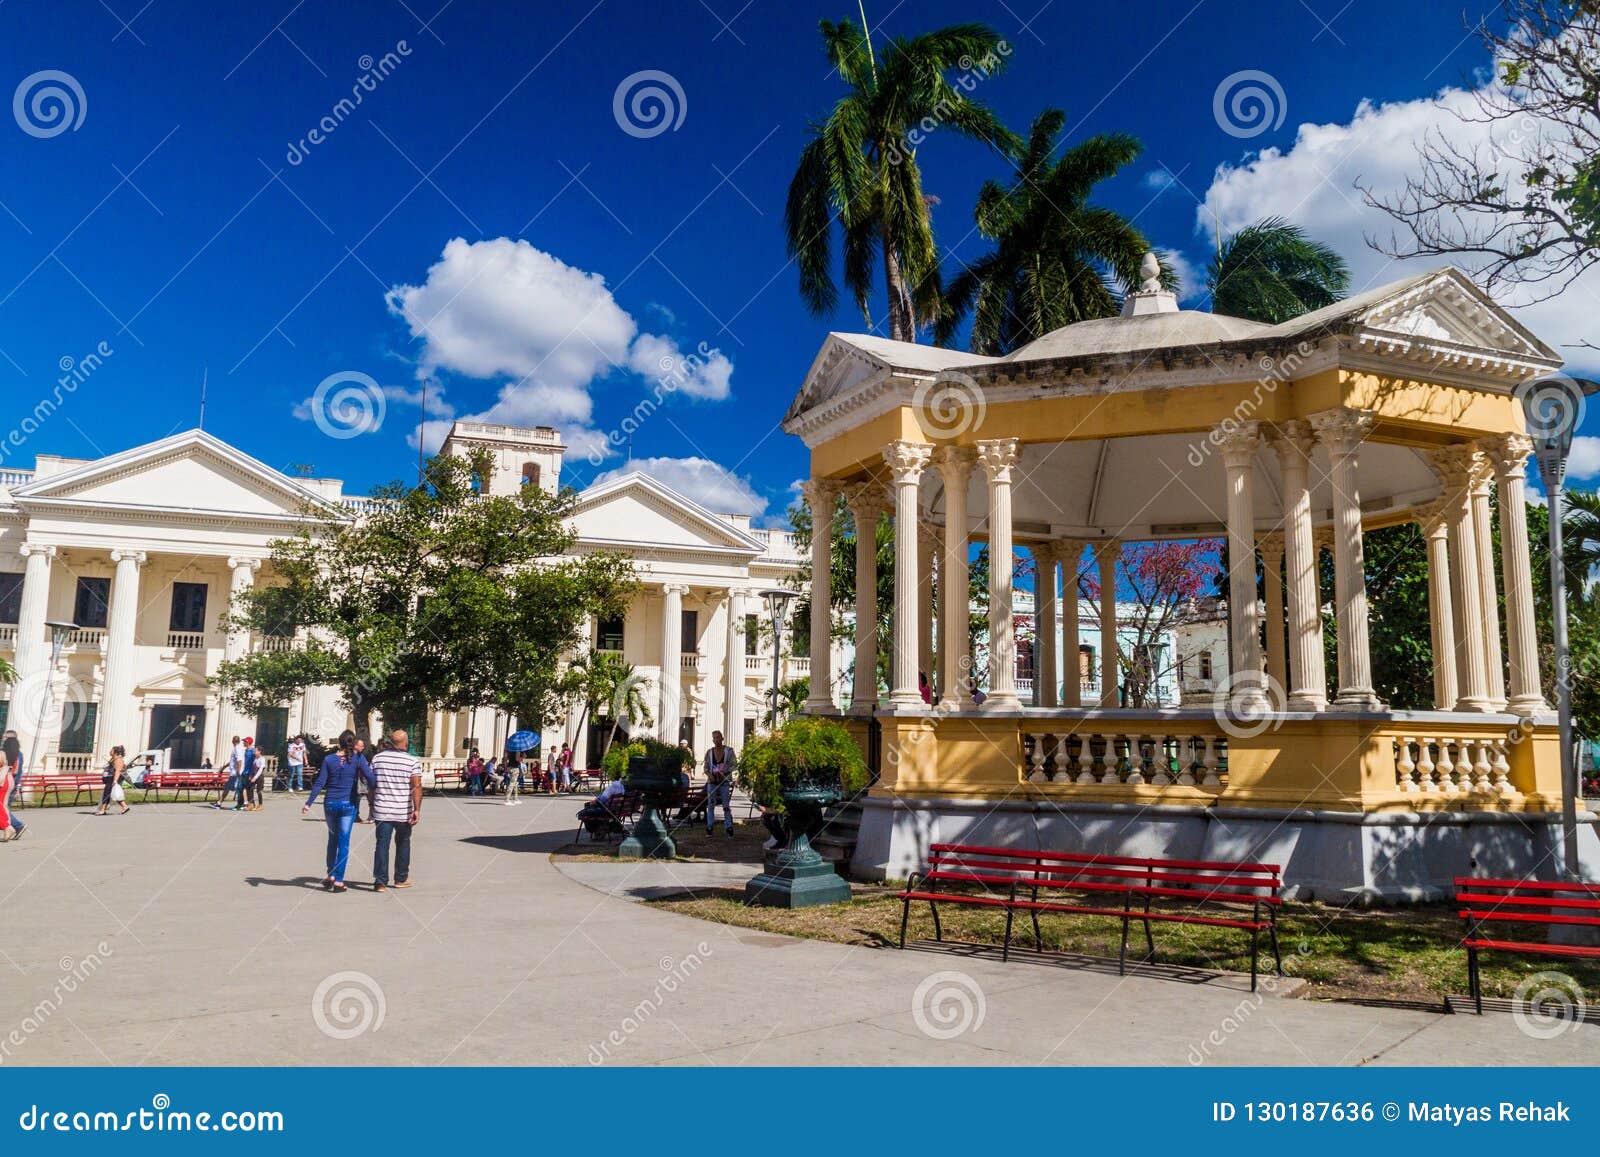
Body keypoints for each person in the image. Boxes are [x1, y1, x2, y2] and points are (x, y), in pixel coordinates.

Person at [302, 730, 374, 893]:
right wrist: (378, 789)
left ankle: (331, 875)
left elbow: (320, 782)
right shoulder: (358, 758)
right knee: (344, 843)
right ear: (353, 743)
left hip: (330, 803)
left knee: (332, 839)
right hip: (348, 804)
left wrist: (309, 803)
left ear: (339, 743)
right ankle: (339, 880)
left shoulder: (329, 759)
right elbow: (370, 777)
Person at [369, 727, 422, 892]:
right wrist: (417, 809)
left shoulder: (377, 759)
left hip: (382, 810)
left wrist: (371, 805)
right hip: (402, 811)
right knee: (403, 844)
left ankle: (380, 882)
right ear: (406, 743)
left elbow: (371, 785)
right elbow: (416, 787)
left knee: (381, 845)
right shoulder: (412, 761)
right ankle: (400, 878)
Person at [702, 730, 736, 836]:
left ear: (722, 738)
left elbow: (734, 765)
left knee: (726, 805)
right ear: (713, 740)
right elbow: (705, 767)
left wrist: (725, 773)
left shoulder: (729, 751)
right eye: (714, 738)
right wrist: (710, 775)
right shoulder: (709, 752)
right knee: (711, 804)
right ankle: (710, 826)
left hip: (724, 782)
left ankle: (729, 827)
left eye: (718, 737)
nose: (716, 740)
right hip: (712, 782)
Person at [95, 745, 129, 816]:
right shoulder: (113, 759)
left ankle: (103, 810)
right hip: (109, 778)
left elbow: (118, 771)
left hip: (112, 779)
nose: (110, 751)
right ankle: (124, 806)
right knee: (112, 793)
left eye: (111, 750)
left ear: (115, 752)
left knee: (107, 793)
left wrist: (115, 781)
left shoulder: (118, 760)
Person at [2, 730, 23, 841]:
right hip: (10, 780)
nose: (3, 739)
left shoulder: (7, 753)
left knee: (3, 807)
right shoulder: (15, 753)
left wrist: (16, 787)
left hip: (6, 781)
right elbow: (16, 771)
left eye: (5, 737)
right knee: (4, 807)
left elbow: (16, 772)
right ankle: (10, 827)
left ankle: (14, 826)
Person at [213, 735, 243, 810]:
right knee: (232, 788)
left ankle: (219, 803)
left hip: (235, 773)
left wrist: (238, 770)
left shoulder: (237, 749)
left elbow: (239, 760)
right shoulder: (239, 748)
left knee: (233, 788)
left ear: (233, 741)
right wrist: (224, 767)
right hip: (234, 772)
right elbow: (233, 761)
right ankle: (219, 802)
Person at [235, 737, 261, 811]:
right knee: (240, 788)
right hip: (243, 772)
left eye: (245, 741)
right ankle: (240, 804)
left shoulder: (253, 751)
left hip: (249, 773)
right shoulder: (245, 751)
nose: (243, 743)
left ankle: (251, 804)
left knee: (249, 789)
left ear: (248, 743)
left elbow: (255, 763)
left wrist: (252, 774)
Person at [0, 748, 14, 842]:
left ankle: (7, 827)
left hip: (3, 782)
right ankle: (7, 828)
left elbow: (2, 760)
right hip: (5, 780)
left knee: (2, 807)